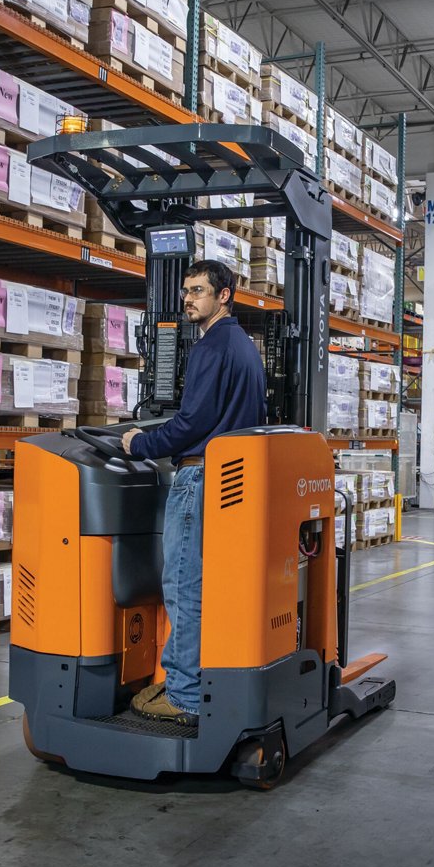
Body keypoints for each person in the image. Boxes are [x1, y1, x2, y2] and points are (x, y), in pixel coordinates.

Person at [120, 260, 266, 726]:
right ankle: (195, 678)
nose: (188, 299)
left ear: (224, 296)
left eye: (198, 291)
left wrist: (140, 444)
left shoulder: (211, 348)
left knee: (183, 586)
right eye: (186, 291)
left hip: (199, 478)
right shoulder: (244, 346)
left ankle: (182, 693)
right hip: (229, 480)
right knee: (206, 586)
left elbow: (193, 422)